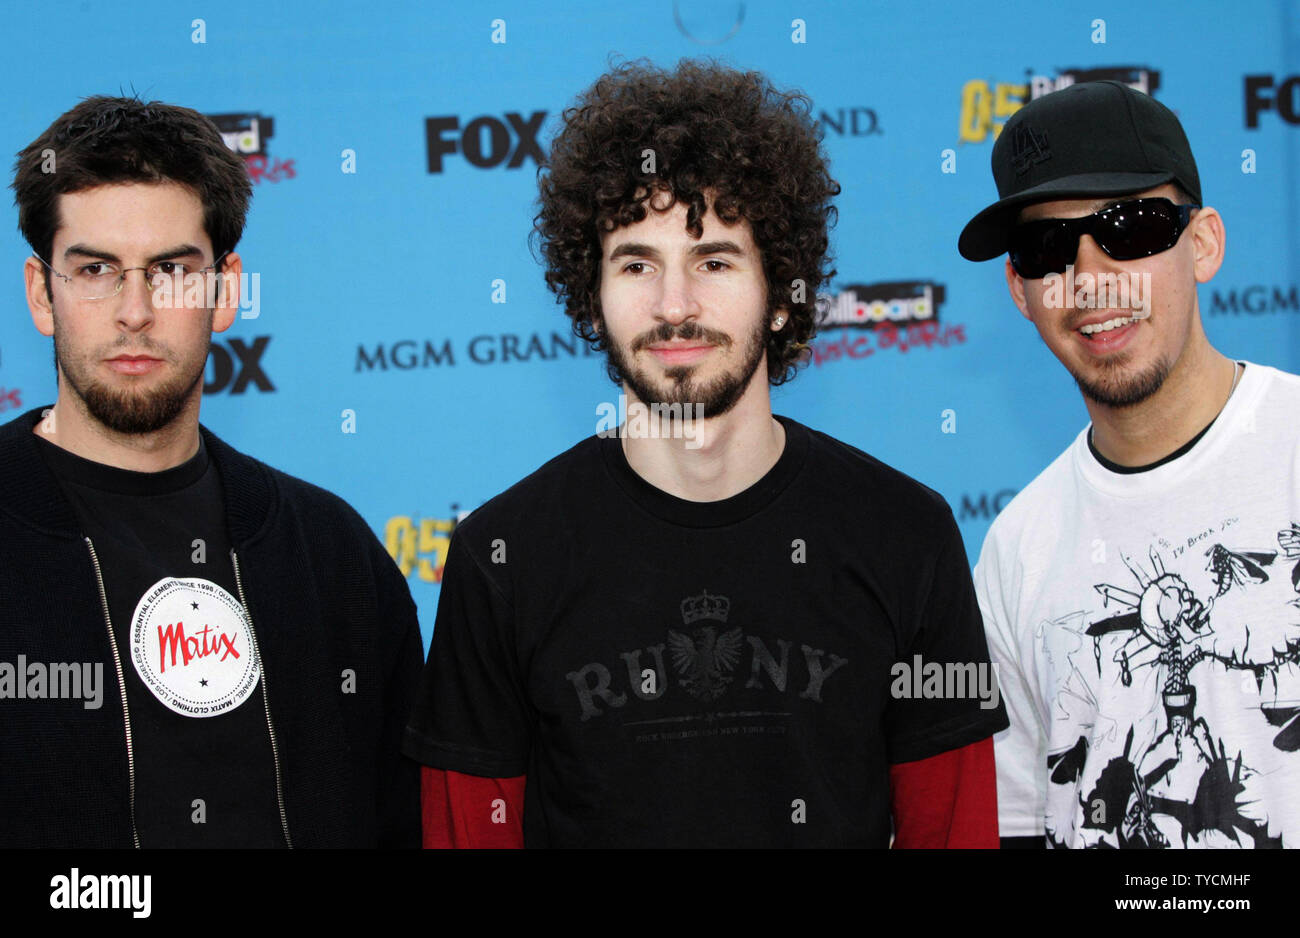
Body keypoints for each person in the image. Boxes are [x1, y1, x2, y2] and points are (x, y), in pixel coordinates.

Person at [404, 59, 1008, 848]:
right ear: (591, 296)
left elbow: (955, 833)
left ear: (782, 293)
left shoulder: (907, 536)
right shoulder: (502, 558)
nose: (675, 305)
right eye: (636, 264)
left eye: (714, 261)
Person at [1, 95, 422, 847]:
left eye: (170, 270)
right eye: (96, 269)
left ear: (225, 292)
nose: (135, 311)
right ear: (42, 292)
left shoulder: (332, 555)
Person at [960, 80, 1300, 848]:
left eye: (1131, 228)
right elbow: (1017, 821)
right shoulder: (1017, 550)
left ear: (1204, 244)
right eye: (1049, 248)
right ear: (1020, 289)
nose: (1091, 278)